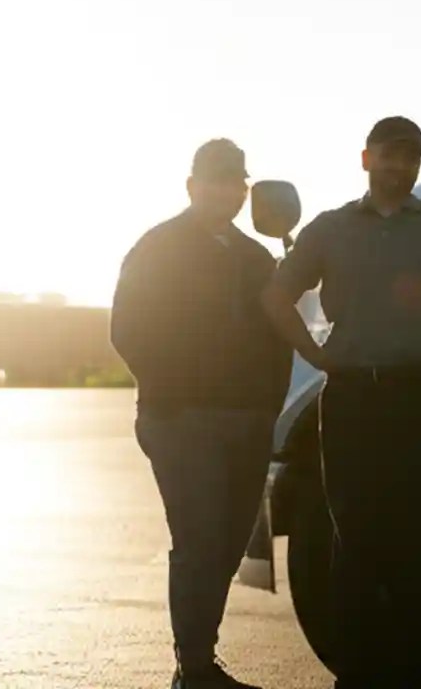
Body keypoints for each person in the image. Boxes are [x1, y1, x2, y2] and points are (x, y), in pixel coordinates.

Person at [261, 116, 421, 687]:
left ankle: (411, 671)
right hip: (351, 401)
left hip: (418, 399)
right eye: (390, 155)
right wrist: (315, 358)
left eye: (411, 157)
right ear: (366, 159)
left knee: (413, 536)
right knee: (355, 541)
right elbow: (275, 296)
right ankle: (356, 674)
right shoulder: (330, 229)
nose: (401, 166)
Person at [111, 138, 293, 689]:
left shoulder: (258, 258)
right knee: (200, 538)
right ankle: (193, 667)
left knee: (232, 539)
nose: (225, 192)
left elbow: (278, 335)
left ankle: (200, 662)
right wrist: (169, 396)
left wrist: (267, 408)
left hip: (246, 420)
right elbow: (126, 331)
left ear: (244, 190)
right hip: (182, 418)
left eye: (234, 182)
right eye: (212, 181)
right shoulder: (157, 247)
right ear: (192, 187)